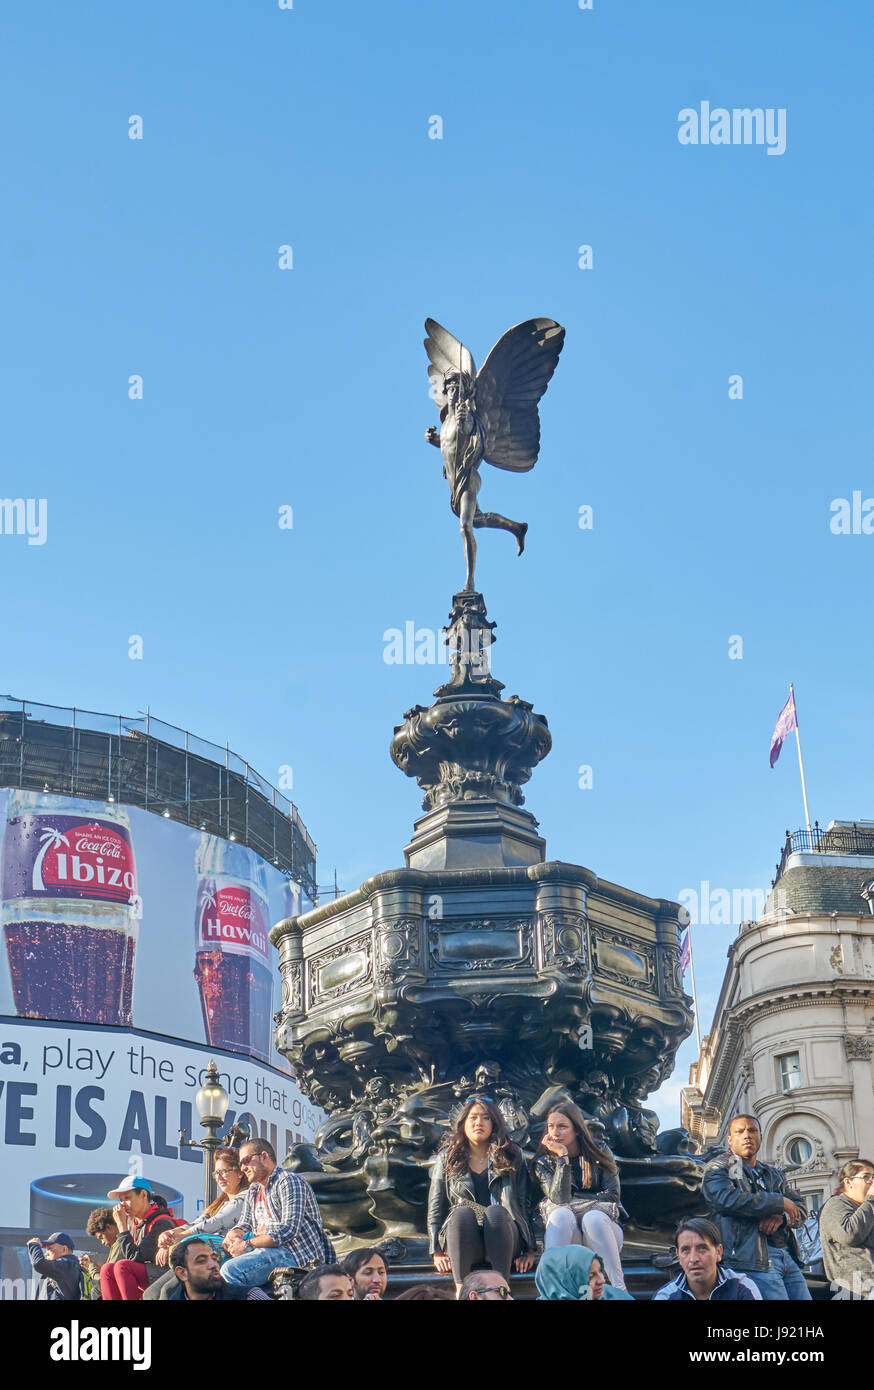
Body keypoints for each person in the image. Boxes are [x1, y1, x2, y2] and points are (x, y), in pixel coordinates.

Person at [428, 1097, 536, 1296]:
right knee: (461, 1213)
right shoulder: (447, 1157)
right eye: (473, 1117)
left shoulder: (512, 1155)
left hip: (502, 1235)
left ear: (494, 1123)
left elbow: (523, 1204)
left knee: (496, 1212)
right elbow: (436, 1206)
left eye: (486, 1118)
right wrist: (436, 1251)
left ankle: (501, 1289)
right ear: (463, 1123)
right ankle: (461, 1290)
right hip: (465, 1237)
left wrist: (530, 1249)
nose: (479, 1123)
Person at [702, 1114, 810, 1301]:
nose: (747, 1136)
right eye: (740, 1131)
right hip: (751, 1260)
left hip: (786, 1256)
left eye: (752, 1130)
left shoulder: (773, 1173)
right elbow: (727, 1199)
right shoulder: (720, 1166)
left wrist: (781, 1217)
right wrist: (778, 1202)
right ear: (730, 1139)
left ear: (760, 1136)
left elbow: (800, 1208)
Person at [533, 1098, 627, 1290]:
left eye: (562, 1126)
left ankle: (619, 1288)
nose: (555, 1132)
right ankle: (553, 1289)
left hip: (603, 1233)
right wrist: (562, 1158)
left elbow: (612, 1195)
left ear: (577, 1129)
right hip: (569, 1237)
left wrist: (579, 1205)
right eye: (551, 1126)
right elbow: (560, 1199)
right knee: (560, 1214)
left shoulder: (599, 1151)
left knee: (592, 1218)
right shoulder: (544, 1162)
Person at [220, 1137, 335, 1289]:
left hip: (296, 1254)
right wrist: (235, 1233)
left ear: (264, 1156)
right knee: (212, 1266)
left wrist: (246, 1245)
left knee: (231, 1271)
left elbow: (288, 1230)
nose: (242, 1168)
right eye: (240, 1164)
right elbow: (245, 1223)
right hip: (267, 1252)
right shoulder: (253, 1190)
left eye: (246, 1160)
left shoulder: (288, 1181)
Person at [145, 1147, 250, 1300]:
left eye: (224, 1171)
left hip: (216, 1259)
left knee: (166, 1293)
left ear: (240, 1173)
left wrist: (178, 1237)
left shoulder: (245, 1197)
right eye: (216, 1173)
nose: (219, 1177)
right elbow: (199, 1222)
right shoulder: (219, 1203)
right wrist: (170, 1234)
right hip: (197, 1259)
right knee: (150, 1294)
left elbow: (215, 1222)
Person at [100, 1176, 178, 1300]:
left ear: (143, 1195)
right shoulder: (135, 1224)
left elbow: (136, 1258)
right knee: (107, 1269)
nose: (123, 1205)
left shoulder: (162, 1222)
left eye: (127, 1198)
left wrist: (122, 1226)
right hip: (147, 1273)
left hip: (165, 1275)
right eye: (121, 1200)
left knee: (122, 1266)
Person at [653, 1218, 762, 1301]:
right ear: (678, 1256)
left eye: (702, 1249)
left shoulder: (742, 1288)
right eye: (685, 1250)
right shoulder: (666, 1296)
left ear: (718, 1252)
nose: (693, 1258)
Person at [819, 1158, 874, 1299]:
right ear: (848, 1182)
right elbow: (849, 1234)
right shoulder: (835, 1205)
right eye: (867, 1177)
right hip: (854, 1290)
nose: (872, 1182)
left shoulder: (869, 1208)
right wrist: (871, 1199)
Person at [163, 1237, 271, 1301]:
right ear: (182, 1273)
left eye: (214, 1259)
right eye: (201, 1261)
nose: (213, 1265)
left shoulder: (249, 1296)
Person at [534, 1244, 634, 1301]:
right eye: (591, 1276)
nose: (602, 1280)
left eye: (600, 1271)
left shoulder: (617, 1297)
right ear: (566, 1282)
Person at [81, 1208, 125, 1299]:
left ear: (109, 1227)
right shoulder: (117, 1245)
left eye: (101, 1237)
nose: (102, 1242)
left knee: (97, 1289)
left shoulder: (120, 1245)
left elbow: (104, 1282)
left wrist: (90, 1266)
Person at [25, 1232, 81, 1300]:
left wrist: (34, 1245)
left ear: (64, 1249)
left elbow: (39, 1263)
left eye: (49, 1249)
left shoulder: (67, 1265)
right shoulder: (66, 1267)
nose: (46, 1253)